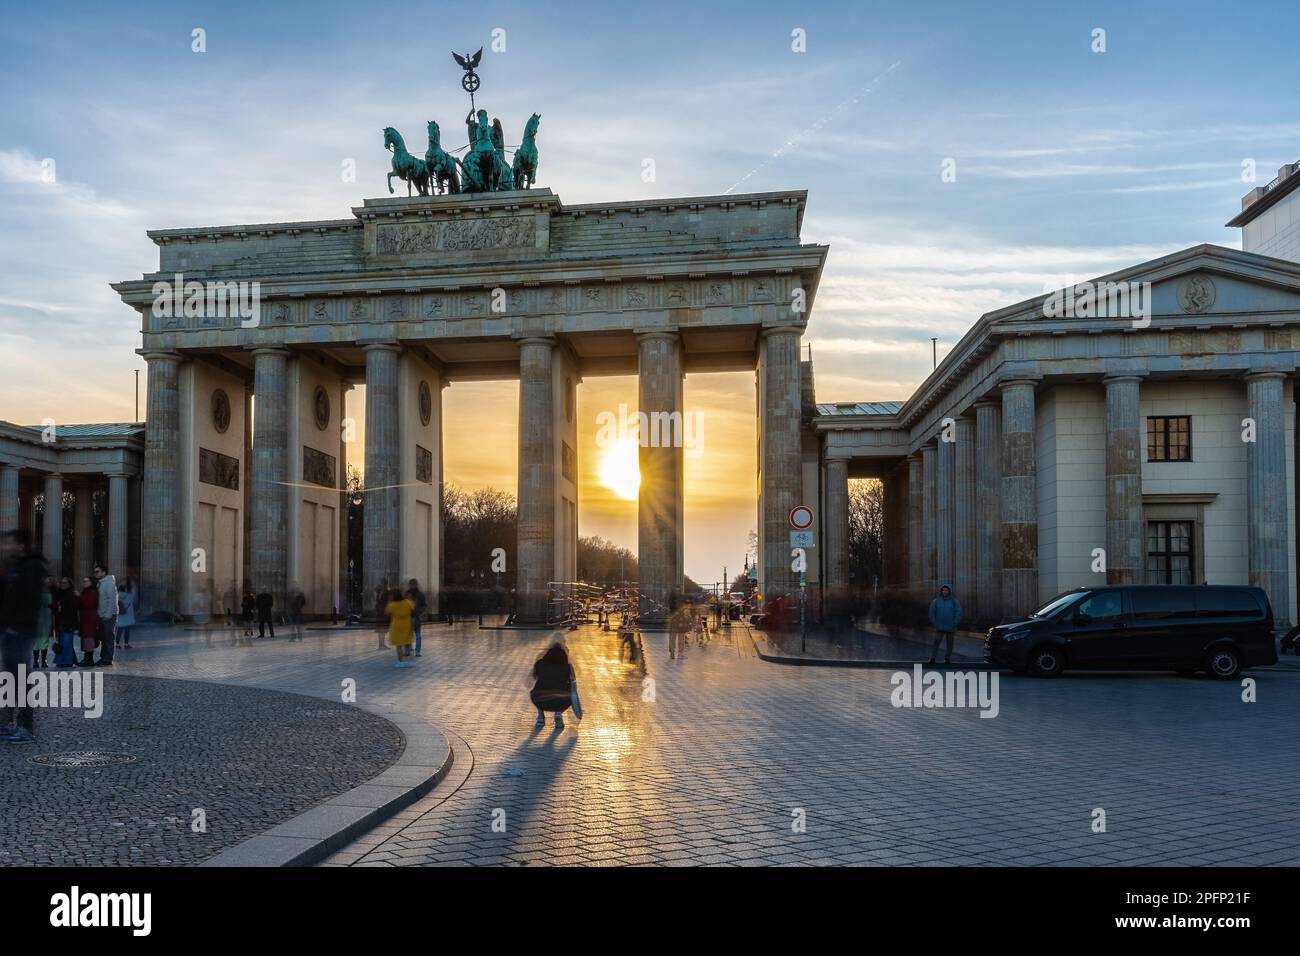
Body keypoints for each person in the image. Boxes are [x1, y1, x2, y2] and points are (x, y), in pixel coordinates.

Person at [0, 530, 48, 743]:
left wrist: (16, 623)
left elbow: (30, 599)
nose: (6, 547)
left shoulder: (33, 566)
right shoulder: (15, 566)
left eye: (10, 544)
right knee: (10, 679)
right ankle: (9, 722)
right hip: (10, 629)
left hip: (21, 630)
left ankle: (26, 726)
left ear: (21, 546)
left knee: (21, 680)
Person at [529, 642, 582, 729]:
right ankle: (558, 714)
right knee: (563, 692)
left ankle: (540, 717)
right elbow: (573, 680)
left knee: (538, 690)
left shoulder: (540, 663)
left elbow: (535, 677)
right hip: (561, 701)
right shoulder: (568, 667)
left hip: (540, 700)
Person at [927, 584, 963, 666]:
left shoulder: (954, 601)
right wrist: (934, 622)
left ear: (949, 591)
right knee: (936, 642)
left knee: (950, 643)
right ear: (941, 591)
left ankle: (947, 658)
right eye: (943, 590)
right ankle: (933, 658)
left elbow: (959, 612)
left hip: (951, 626)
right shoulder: (936, 601)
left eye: (946, 590)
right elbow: (931, 612)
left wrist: (955, 622)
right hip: (939, 626)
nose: (945, 591)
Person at [92, 563, 117, 666]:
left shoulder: (109, 583)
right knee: (104, 638)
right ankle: (104, 657)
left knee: (108, 638)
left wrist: (108, 615)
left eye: (97, 571)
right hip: (102, 615)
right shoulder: (101, 583)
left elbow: (112, 600)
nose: (95, 574)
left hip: (108, 616)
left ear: (104, 572)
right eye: (94, 572)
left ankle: (108, 659)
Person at [385, 587, 416, 667]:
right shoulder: (407, 602)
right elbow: (413, 609)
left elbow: (387, 612)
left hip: (396, 626)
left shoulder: (392, 605)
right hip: (407, 625)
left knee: (398, 645)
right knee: (408, 644)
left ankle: (401, 662)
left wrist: (389, 601)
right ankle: (411, 661)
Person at [53, 577, 79, 667]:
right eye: (62, 582)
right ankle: (68, 660)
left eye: (65, 583)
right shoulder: (60, 594)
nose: (63, 584)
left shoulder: (72, 595)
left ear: (69, 584)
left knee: (66, 642)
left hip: (68, 622)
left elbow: (74, 611)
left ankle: (66, 661)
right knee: (63, 642)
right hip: (60, 621)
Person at [77, 576, 99, 667]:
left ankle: (89, 659)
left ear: (91, 582)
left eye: (86, 581)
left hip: (90, 619)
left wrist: (79, 597)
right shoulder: (86, 591)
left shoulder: (92, 592)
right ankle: (86, 658)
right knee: (86, 639)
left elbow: (89, 604)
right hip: (86, 618)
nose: (84, 583)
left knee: (89, 639)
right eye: (83, 581)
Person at [33, 577, 54, 668]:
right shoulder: (34, 592)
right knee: (37, 641)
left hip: (47, 618)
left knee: (44, 640)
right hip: (38, 618)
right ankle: (36, 661)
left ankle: (43, 660)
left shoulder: (52, 591)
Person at [407, 579, 426, 657]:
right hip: (408, 617)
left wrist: (419, 612)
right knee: (408, 635)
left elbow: (424, 605)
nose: (412, 586)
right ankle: (408, 650)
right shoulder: (407, 594)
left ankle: (417, 651)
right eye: (411, 584)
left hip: (416, 617)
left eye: (413, 584)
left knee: (417, 635)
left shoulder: (420, 594)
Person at [116, 578, 136, 648]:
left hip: (120, 616)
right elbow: (134, 591)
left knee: (119, 631)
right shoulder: (129, 596)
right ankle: (126, 644)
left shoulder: (116, 597)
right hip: (128, 616)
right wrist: (132, 583)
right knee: (127, 631)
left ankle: (117, 644)